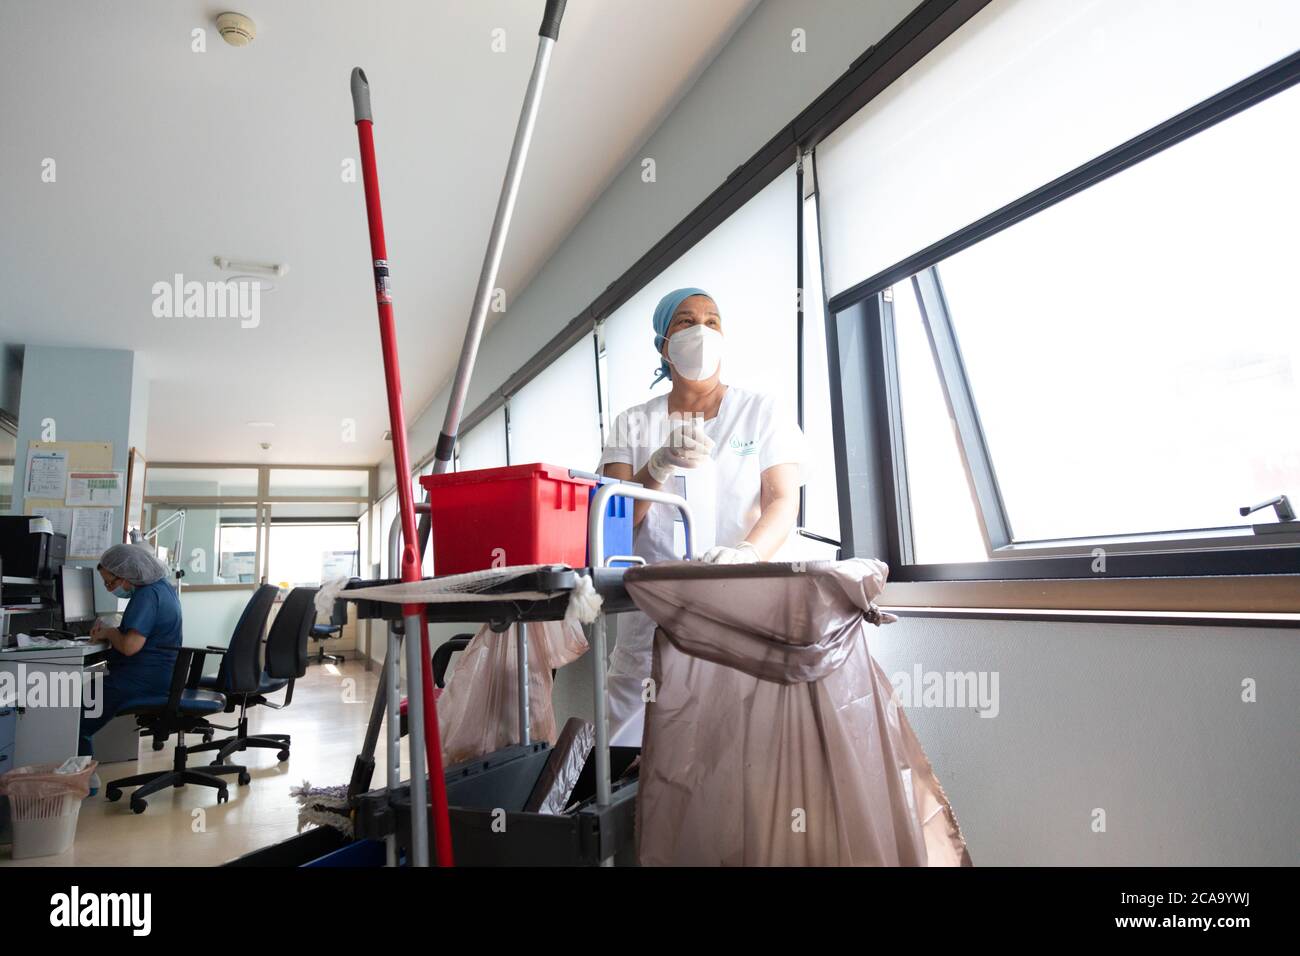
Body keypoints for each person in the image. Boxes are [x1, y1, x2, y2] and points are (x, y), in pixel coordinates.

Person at [598, 287, 804, 746]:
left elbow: (782, 501)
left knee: (733, 745)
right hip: (647, 609)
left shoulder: (759, 412)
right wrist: (655, 467)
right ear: (663, 344)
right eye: (686, 322)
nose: (702, 331)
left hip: (735, 602)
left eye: (713, 321)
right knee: (624, 747)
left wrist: (747, 552)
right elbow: (615, 524)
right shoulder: (631, 423)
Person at [79, 543, 182, 792]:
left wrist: (109, 632)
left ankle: (83, 782)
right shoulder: (163, 590)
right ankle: (84, 773)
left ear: (126, 574)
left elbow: (130, 646)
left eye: (110, 583)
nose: (109, 588)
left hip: (140, 679)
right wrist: (110, 634)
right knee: (89, 689)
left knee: (74, 715)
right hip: (158, 676)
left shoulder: (146, 596)